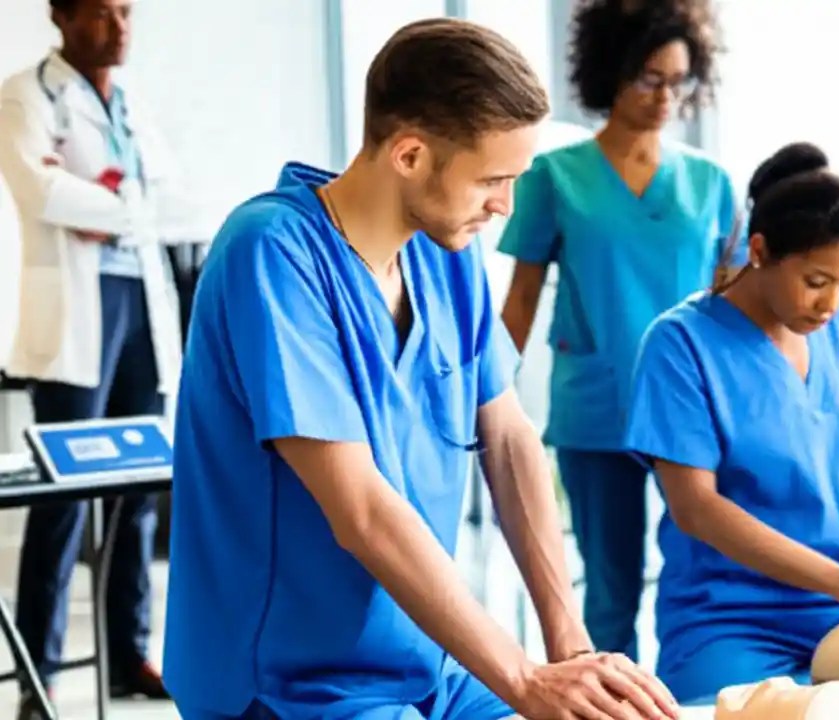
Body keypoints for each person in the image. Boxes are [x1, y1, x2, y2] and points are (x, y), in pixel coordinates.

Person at [163, 19, 677, 720]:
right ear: (409, 154)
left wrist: (569, 650)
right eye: (492, 180)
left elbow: (509, 439)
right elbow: (361, 511)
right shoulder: (272, 254)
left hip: (429, 667)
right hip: (295, 687)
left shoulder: (446, 254)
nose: (506, 206)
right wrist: (524, 682)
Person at [624, 143, 839, 705]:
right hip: (729, 618)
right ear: (760, 251)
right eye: (815, 280)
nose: (830, 303)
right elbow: (696, 508)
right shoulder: (680, 343)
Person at [498, 0, 739, 660]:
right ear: (610, 73)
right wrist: (486, 396)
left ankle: (693, 690)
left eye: (678, 82)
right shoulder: (554, 177)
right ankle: (607, 699)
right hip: (596, 406)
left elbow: (734, 307)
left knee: (701, 575)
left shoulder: (711, 182)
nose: (666, 98)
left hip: (691, 412)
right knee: (609, 592)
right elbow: (521, 300)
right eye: (649, 79)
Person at [0, 0, 202, 710]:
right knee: (62, 502)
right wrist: (123, 202)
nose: (119, 29)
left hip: (140, 304)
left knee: (136, 491)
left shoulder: (132, 105)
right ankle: (40, 671)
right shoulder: (27, 95)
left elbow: (176, 198)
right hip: (77, 316)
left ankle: (127, 655)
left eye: (126, 12)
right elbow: (41, 191)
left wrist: (106, 202)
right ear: (60, 17)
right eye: (100, 13)